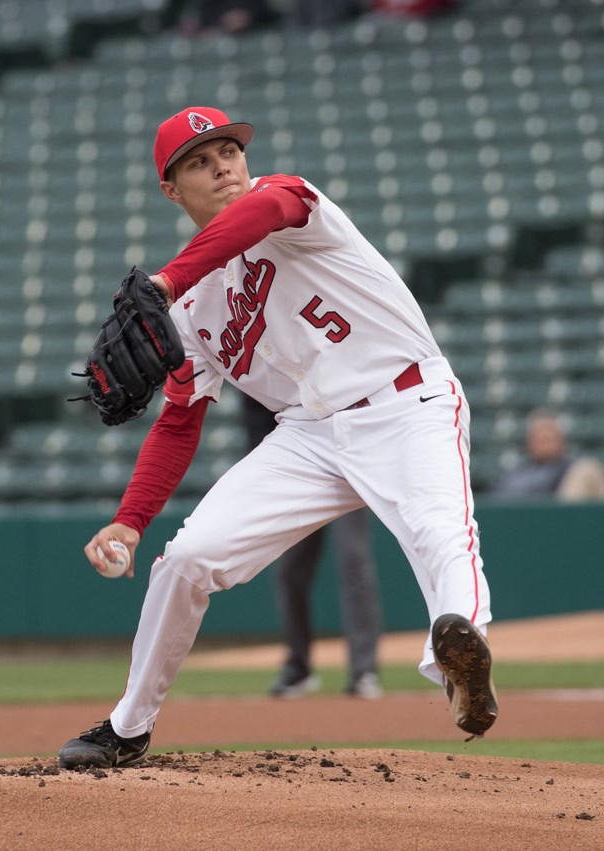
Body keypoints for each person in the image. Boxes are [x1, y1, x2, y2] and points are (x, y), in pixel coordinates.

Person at [58, 106, 496, 769]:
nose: (223, 165)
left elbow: (267, 211)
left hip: (407, 402)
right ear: (171, 191)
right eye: (200, 162)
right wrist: (129, 520)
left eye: (228, 150)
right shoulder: (184, 313)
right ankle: (127, 726)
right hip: (310, 435)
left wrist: (168, 276)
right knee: (186, 559)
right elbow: (180, 420)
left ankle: (461, 655)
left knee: (440, 531)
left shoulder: (284, 201)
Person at [242, 397, 383, 700]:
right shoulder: (261, 361)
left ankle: (364, 671)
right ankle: (298, 668)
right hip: (297, 469)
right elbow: (256, 419)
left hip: (349, 463)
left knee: (354, 563)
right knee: (291, 570)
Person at [489, 409, 604, 501]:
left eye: (550, 438)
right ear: (529, 442)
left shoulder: (572, 467)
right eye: (540, 438)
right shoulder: (519, 473)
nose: (545, 443)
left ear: (562, 439)